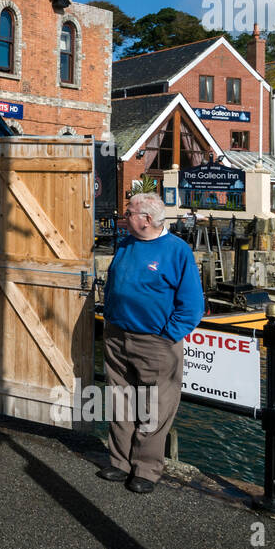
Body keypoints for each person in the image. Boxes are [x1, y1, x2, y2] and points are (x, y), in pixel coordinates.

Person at [98, 192, 203, 494]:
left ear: (145, 219)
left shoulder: (177, 251)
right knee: (120, 400)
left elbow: (192, 305)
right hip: (118, 335)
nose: (124, 214)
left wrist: (167, 335)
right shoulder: (126, 244)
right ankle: (119, 462)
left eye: (129, 211)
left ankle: (145, 468)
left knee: (155, 406)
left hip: (155, 341)